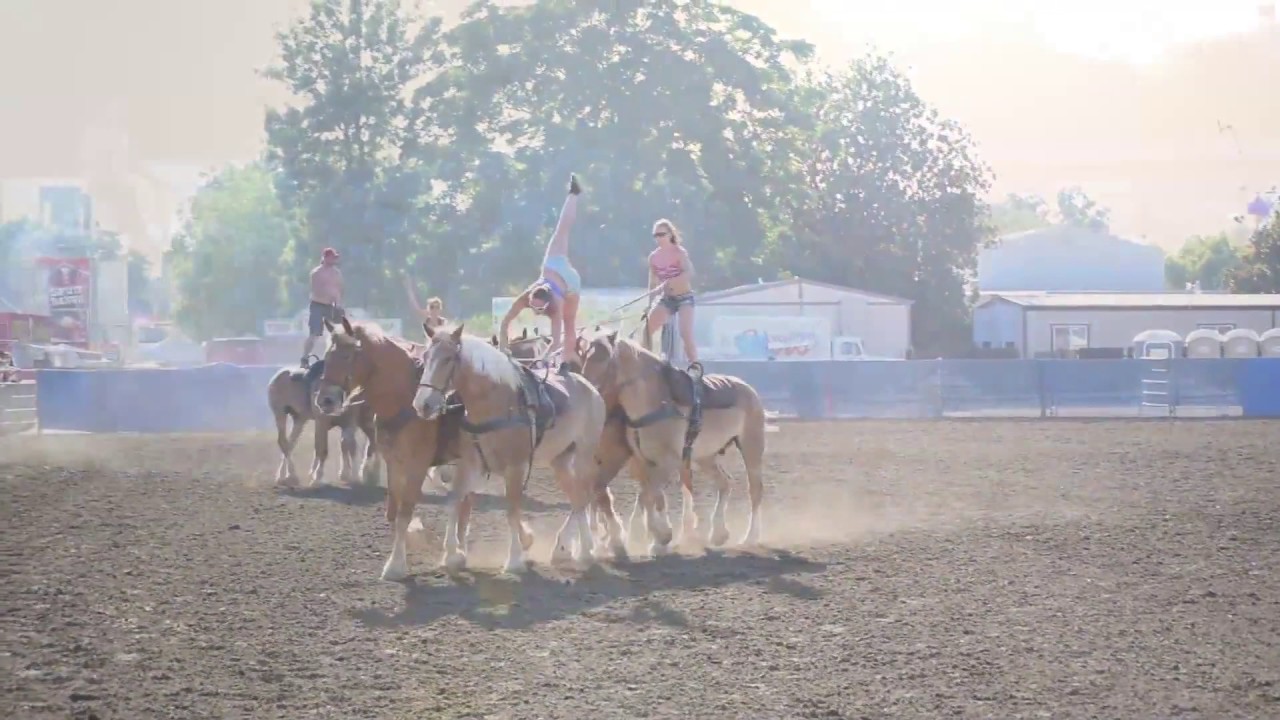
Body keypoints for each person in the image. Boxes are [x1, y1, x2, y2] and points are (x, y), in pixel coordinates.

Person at [498, 174, 583, 364]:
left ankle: (565, 364)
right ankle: (573, 194)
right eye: (534, 307)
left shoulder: (555, 306)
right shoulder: (525, 298)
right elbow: (505, 322)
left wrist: (539, 361)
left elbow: (555, 341)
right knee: (560, 230)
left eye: (539, 309)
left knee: (569, 326)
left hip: (569, 283)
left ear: (546, 304)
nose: (536, 311)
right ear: (530, 297)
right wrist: (503, 348)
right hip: (552, 266)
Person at [643, 219, 698, 364]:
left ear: (670, 234)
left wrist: (671, 282)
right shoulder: (653, 257)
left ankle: (695, 366)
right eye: (656, 235)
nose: (659, 238)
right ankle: (646, 364)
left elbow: (689, 273)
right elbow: (653, 283)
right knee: (647, 330)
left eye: (662, 234)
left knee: (685, 333)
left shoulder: (679, 252)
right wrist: (650, 304)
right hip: (667, 298)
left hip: (684, 297)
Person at [302, 247, 343, 367]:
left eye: (334, 258)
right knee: (315, 332)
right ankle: (304, 358)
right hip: (318, 305)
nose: (333, 260)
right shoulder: (316, 273)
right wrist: (329, 294)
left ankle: (336, 357)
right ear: (325, 258)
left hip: (332, 306)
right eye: (331, 258)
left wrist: (338, 304)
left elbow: (338, 289)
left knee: (339, 332)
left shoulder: (337, 273)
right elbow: (317, 290)